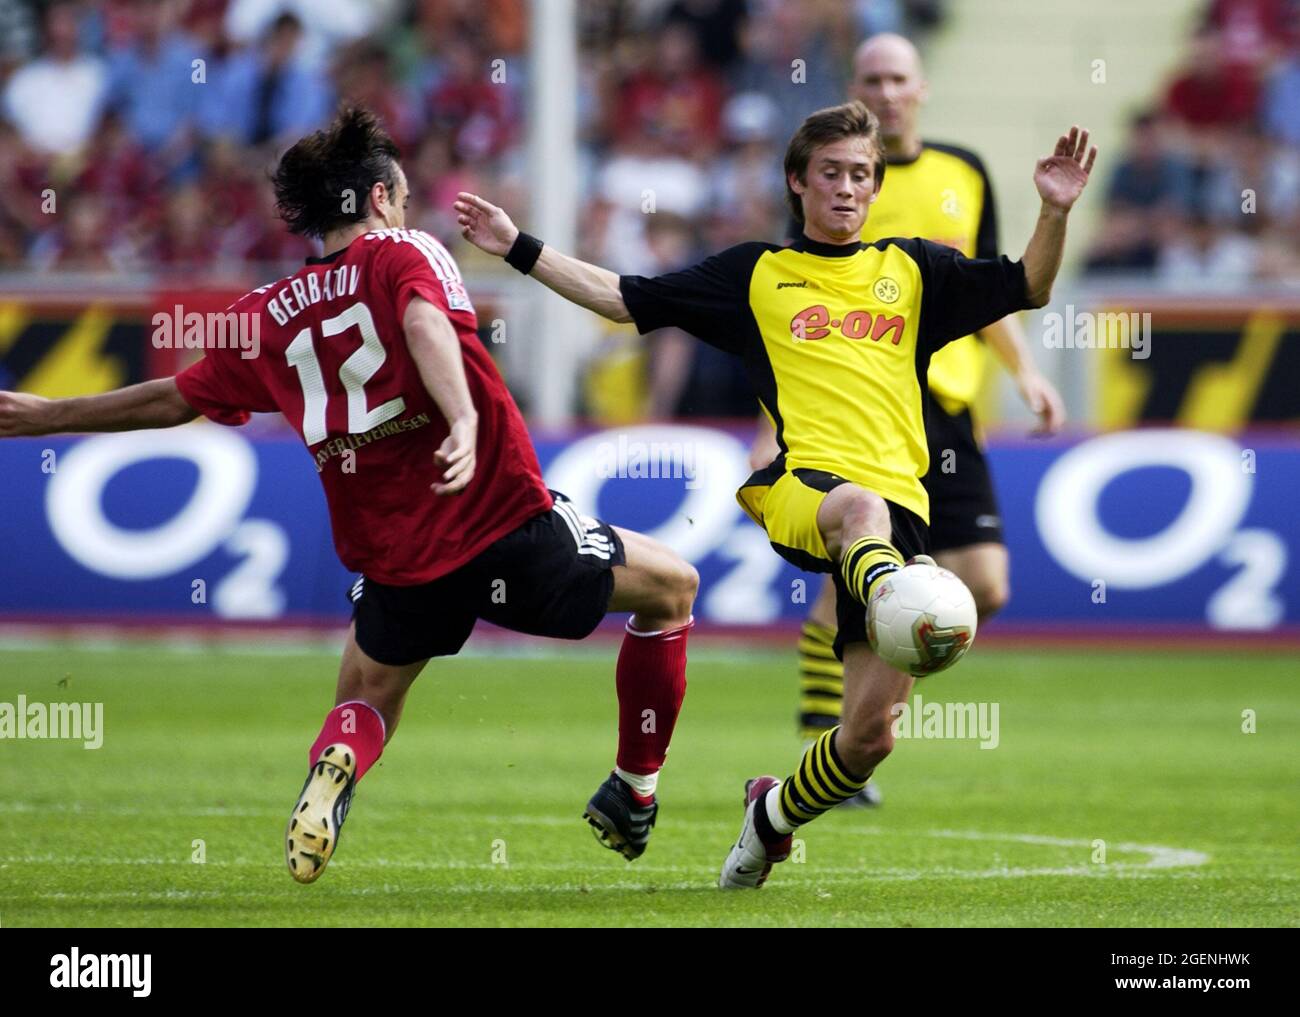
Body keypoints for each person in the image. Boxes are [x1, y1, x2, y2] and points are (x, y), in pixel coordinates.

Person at [0, 108, 700, 884]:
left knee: (367, 695)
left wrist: (48, 415)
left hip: (397, 561)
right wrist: (463, 415)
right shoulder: (402, 251)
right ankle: (634, 790)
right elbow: (425, 322)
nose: (404, 205)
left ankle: (339, 758)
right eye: (398, 192)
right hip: (498, 516)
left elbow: (177, 397)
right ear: (378, 195)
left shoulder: (263, 314)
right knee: (672, 585)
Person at [455, 100, 1095, 888]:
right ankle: (897, 594)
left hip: (901, 515)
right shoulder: (756, 274)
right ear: (798, 181)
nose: (848, 188)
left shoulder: (914, 271)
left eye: (862, 174)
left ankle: (770, 816)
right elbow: (625, 296)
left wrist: (1054, 210)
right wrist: (516, 247)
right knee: (859, 512)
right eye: (831, 173)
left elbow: (1029, 285)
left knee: (868, 741)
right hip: (804, 488)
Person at [752, 33, 1071, 804]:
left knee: (985, 585)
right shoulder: (834, 176)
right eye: (872, 80)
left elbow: (993, 284)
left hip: (950, 400)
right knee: (862, 565)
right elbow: (781, 311)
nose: (887, 92)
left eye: (899, 78)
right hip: (862, 400)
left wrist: (1024, 371)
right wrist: (773, 424)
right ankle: (827, 728)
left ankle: (860, 716)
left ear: (921, 88)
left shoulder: (962, 171)